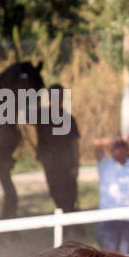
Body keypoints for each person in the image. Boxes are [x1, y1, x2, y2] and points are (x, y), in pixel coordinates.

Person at [93, 135, 129, 253]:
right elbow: (97, 143)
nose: (118, 150)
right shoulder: (104, 164)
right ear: (111, 150)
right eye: (115, 147)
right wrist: (122, 139)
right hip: (108, 219)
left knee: (126, 256)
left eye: (121, 147)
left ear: (126, 150)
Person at [35, 83, 79, 212]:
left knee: (70, 194)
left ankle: (71, 222)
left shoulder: (69, 119)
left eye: (60, 96)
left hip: (67, 164)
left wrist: (75, 165)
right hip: (50, 165)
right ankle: (65, 224)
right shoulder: (40, 116)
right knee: (56, 193)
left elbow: (75, 143)